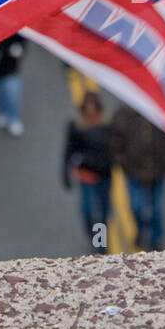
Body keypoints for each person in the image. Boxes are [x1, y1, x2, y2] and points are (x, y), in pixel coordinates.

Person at [110, 104, 165, 251]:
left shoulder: (164, 112)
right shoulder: (124, 114)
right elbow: (114, 142)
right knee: (136, 207)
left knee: (157, 209)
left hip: (157, 173)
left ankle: (156, 240)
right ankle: (141, 231)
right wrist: (125, 163)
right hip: (134, 173)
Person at [62, 91, 112, 254]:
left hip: (104, 175)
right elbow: (68, 151)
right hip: (86, 176)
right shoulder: (77, 126)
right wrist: (65, 174)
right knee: (89, 210)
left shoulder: (106, 125)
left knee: (102, 211)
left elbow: (116, 147)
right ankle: (94, 235)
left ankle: (100, 245)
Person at [0, 35, 26, 136]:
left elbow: (21, 39)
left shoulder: (10, 27)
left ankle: (14, 119)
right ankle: (2, 112)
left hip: (10, 69)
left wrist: (19, 47)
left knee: (12, 95)